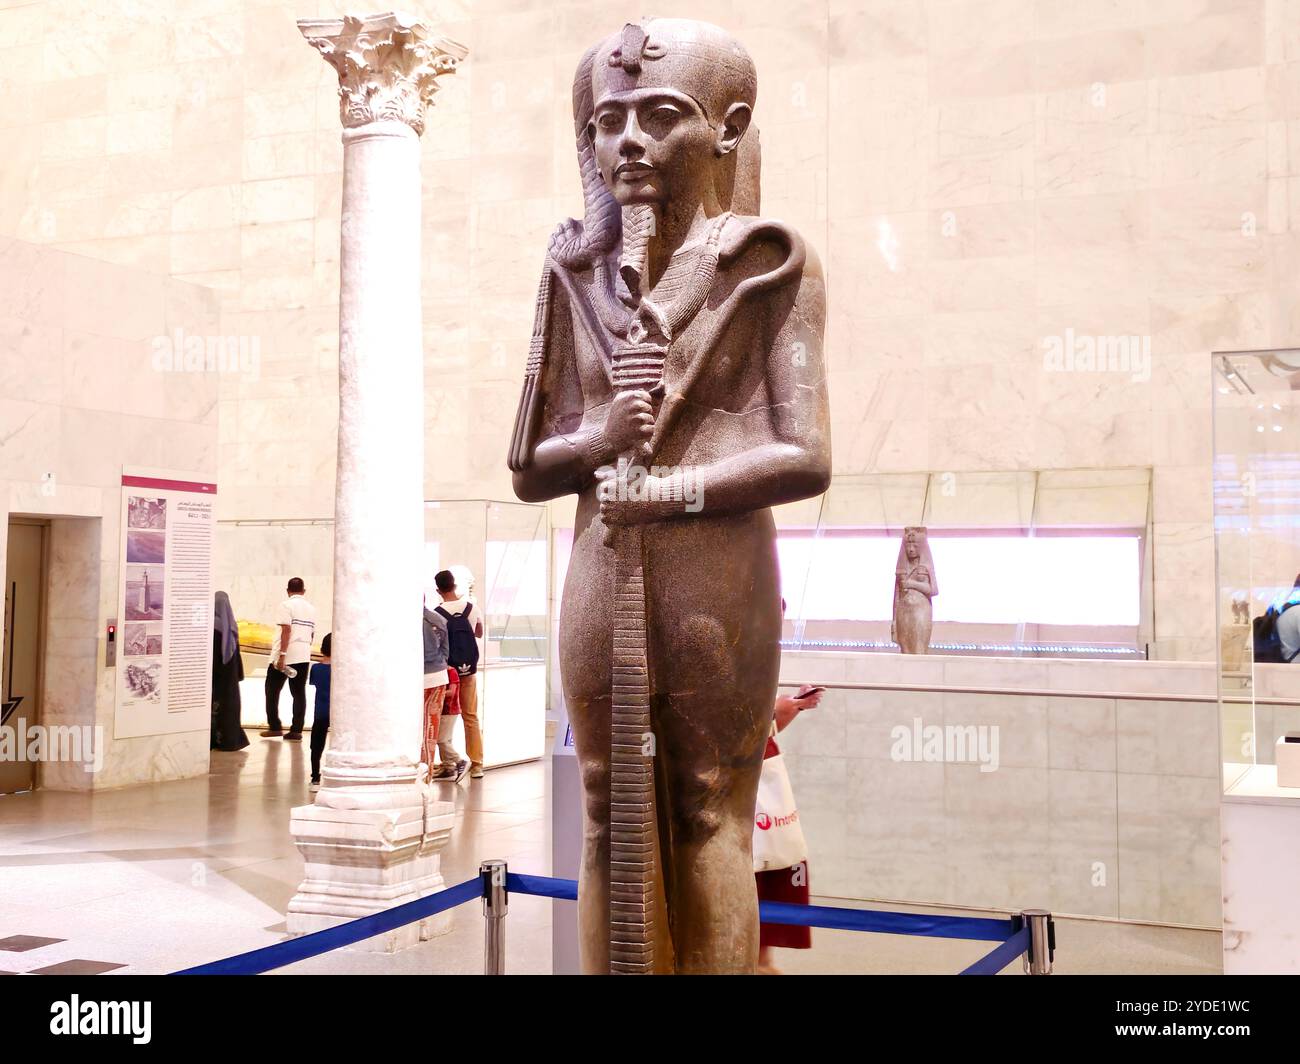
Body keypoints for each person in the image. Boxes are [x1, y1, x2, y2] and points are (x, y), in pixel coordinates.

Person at [754, 682, 823, 974]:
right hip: (732, 806)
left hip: (764, 812)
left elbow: (762, 734)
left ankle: (761, 964)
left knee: (760, 951)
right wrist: (773, 713)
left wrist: (790, 708)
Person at [433, 569, 484, 777]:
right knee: (470, 717)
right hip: (469, 671)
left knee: (446, 717)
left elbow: (438, 645)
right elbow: (479, 633)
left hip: (449, 675)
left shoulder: (437, 613)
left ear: (438, 589)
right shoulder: (472, 608)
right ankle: (477, 764)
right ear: (454, 585)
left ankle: (449, 763)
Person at [262, 577, 316, 740]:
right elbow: (312, 634)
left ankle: (275, 726)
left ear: (287, 591)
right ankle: (296, 730)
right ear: (304, 591)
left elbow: (286, 630)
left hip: (286, 656)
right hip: (303, 654)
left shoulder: (285, 605)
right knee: (299, 693)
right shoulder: (312, 609)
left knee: (271, 690)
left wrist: (282, 655)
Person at [423, 597, 468, 783]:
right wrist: (440, 663)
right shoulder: (437, 618)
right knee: (431, 730)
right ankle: (428, 773)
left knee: (421, 730)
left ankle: (424, 773)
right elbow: (446, 650)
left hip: (423, 677)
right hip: (438, 675)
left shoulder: (414, 622)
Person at [210, 591, 249, 751]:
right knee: (230, 709)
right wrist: (238, 675)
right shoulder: (232, 626)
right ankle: (230, 740)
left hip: (217, 676)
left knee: (214, 709)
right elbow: (236, 654)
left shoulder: (212, 627)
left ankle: (213, 740)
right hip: (230, 677)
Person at [308, 633, 332, 792]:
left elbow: (314, 683)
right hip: (337, 712)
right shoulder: (341, 670)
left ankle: (315, 777)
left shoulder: (316, 668)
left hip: (320, 712)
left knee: (316, 745)